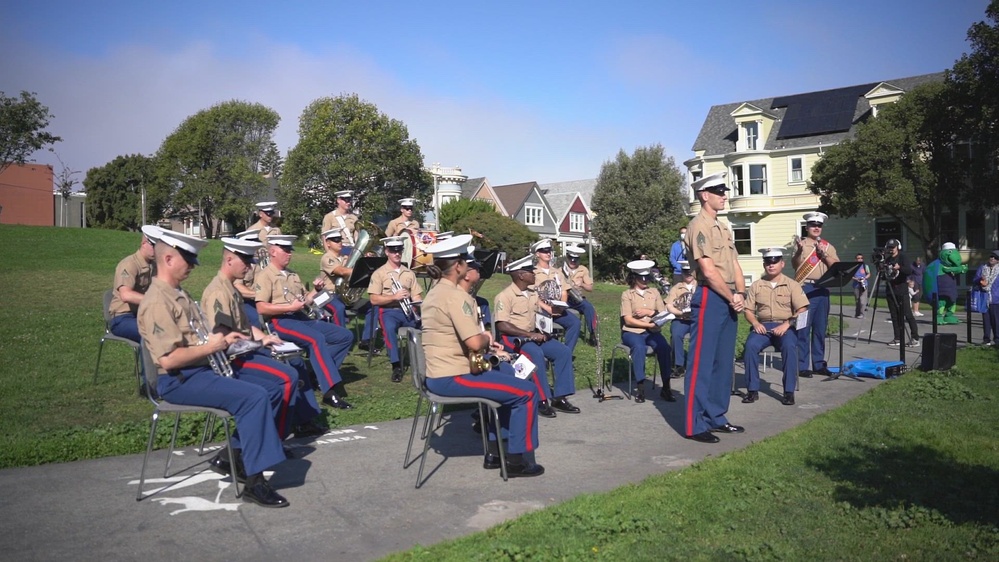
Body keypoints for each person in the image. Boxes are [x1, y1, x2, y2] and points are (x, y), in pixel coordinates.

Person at [137, 230, 289, 508]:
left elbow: (197, 337)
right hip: (179, 379)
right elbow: (168, 360)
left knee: (271, 389)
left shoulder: (178, 294)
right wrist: (212, 347)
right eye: (188, 260)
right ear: (168, 259)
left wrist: (223, 340)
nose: (193, 266)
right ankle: (255, 481)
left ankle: (235, 456)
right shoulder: (158, 300)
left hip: (198, 372)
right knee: (254, 397)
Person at [420, 234, 544, 477]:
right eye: (466, 262)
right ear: (459, 266)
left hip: (440, 373)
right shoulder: (455, 296)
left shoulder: (435, 292)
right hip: (452, 376)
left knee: (508, 378)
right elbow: (475, 343)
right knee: (527, 393)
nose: (469, 266)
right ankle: (516, 461)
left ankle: (496, 452)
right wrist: (486, 337)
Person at [201, 237, 325, 440]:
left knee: (294, 362)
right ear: (229, 260)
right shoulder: (219, 292)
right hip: (233, 358)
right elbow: (224, 339)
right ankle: (276, 437)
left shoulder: (229, 288)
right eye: (245, 261)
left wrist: (267, 338)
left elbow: (244, 326)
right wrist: (259, 343)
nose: (250, 266)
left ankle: (302, 421)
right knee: (287, 376)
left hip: (244, 350)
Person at [254, 234, 355, 408]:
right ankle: (329, 391)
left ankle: (317, 373)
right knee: (316, 339)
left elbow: (305, 300)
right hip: (281, 321)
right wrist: (289, 307)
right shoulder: (265, 275)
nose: (289, 254)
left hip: (300, 317)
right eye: (285, 250)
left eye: (290, 250)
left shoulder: (292, 274)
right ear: (273, 252)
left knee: (344, 336)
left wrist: (315, 290)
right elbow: (261, 308)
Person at [683, 172, 746, 444]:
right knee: (702, 362)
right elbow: (708, 271)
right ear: (704, 195)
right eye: (719, 191)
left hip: (729, 296)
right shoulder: (699, 226)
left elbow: (735, 265)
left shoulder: (723, 227)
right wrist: (732, 296)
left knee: (723, 363)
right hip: (711, 296)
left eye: (725, 191)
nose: (724, 196)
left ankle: (716, 416)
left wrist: (741, 293)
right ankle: (694, 424)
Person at [495, 255, 578, 418]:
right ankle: (541, 400)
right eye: (530, 272)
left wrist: (543, 330)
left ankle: (559, 397)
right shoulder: (505, 296)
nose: (534, 274)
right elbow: (502, 325)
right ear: (521, 275)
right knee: (535, 354)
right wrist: (529, 335)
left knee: (563, 352)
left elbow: (538, 315)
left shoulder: (532, 293)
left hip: (533, 335)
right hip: (512, 338)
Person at [742, 249, 809, 406]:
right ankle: (752, 390)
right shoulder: (756, 285)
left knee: (789, 347)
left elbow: (803, 308)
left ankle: (788, 392)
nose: (771, 265)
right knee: (750, 346)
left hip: (785, 326)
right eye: (768, 263)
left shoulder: (792, 285)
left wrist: (787, 324)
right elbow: (748, 310)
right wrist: (755, 323)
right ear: (764, 265)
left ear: (782, 264)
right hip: (763, 326)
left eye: (774, 262)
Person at [367, 236, 423, 383]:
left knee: (428, 325)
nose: (397, 254)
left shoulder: (409, 273)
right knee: (389, 329)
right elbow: (373, 299)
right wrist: (394, 297)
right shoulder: (379, 273)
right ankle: (396, 365)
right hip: (388, 311)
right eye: (393, 251)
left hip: (408, 311)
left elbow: (417, 296)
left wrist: (414, 299)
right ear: (387, 252)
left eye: (399, 250)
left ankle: (429, 358)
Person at [791, 211, 839, 378]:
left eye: (819, 225)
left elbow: (836, 266)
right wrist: (799, 252)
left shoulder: (828, 246)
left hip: (823, 288)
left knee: (820, 328)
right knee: (803, 328)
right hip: (805, 288)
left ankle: (818, 364)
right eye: (813, 225)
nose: (816, 228)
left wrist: (823, 254)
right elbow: (795, 264)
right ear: (807, 227)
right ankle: (802, 365)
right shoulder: (800, 244)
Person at [620, 259, 674, 403]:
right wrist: (648, 325)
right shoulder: (627, 294)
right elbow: (628, 320)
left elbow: (662, 313)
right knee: (639, 348)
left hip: (652, 331)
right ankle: (641, 388)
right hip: (632, 331)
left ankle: (666, 387)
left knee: (664, 348)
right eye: (641, 278)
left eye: (647, 278)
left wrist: (649, 312)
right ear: (634, 278)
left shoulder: (654, 292)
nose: (645, 281)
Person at [108, 225, 163, 343]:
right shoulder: (129, 264)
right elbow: (126, 295)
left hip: (142, 314)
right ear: (144, 243)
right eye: (155, 246)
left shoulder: (154, 265)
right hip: (122, 317)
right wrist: (155, 300)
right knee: (152, 334)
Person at [531, 239, 581, 353]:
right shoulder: (533, 272)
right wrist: (548, 308)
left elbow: (564, 291)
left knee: (575, 323)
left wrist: (561, 307)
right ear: (537, 254)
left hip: (557, 308)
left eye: (549, 251)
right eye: (544, 251)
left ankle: (567, 353)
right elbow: (532, 295)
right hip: (540, 309)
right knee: (542, 328)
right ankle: (546, 353)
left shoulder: (557, 272)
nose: (548, 253)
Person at [883, 239, 920, 347]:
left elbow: (909, 271)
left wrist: (899, 267)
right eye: (889, 247)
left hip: (901, 289)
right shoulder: (887, 259)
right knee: (894, 316)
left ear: (897, 247)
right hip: (891, 289)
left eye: (893, 247)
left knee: (907, 314)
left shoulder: (902, 257)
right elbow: (884, 276)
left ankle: (915, 338)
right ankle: (897, 338)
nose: (891, 249)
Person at [563, 244, 599, 345]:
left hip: (577, 298)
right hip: (564, 297)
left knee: (589, 307)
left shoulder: (583, 270)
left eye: (575, 259)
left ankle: (592, 333)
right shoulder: (560, 269)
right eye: (571, 259)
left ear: (578, 259)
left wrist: (582, 284)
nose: (573, 261)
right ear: (567, 257)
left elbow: (590, 288)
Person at [665, 261, 696, 379]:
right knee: (676, 334)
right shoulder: (676, 288)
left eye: (690, 272)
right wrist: (680, 313)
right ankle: (679, 365)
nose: (688, 275)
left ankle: (697, 363)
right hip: (681, 318)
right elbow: (669, 305)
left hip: (696, 319)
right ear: (682, 273)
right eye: (686, 272)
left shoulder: (700, 286)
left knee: (702, 335)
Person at [318, 227, 351, 327]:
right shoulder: (326, 258)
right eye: (335, 240)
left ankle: (368, 337)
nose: (339, 242)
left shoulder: (345, 257)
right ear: (328, 243)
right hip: (326, 294)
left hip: (342, 294)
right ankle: (341, 334)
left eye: (340, 239)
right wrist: (360, 271)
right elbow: (341, 271)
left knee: (371, 306)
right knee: (339, 308)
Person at [232, 228, 264, 330]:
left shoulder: (261, 261)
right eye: (254, 246)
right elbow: (237, 287)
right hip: (243, 301)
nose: (257, 249)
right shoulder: (240, 264)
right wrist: (259, 295)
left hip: (259, 299)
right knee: (257, 320)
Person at [972, 250, 999, 346]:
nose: (992, 258)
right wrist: (980, 279)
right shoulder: (983, 267)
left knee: (996, 320)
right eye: (991, 256)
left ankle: (997, 339)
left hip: (996, 299)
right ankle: (986, 339)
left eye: (995, 257)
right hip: (984, 297)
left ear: (998, 260)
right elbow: (975, 280)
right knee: (986, 320)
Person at [322, 190, 359, 254]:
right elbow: (324, 236)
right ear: (338, 200)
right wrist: (329, 254)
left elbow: (356, 236)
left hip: (351, 249)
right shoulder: (329, 217)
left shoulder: (354, 218)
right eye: (346, 200)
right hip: (336, 250)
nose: (348, 203)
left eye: (349, 200)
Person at [852, 253, 870, 319]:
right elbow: (851, 276)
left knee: (863, 301)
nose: (860, 259)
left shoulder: (865, 266)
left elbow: (868, 274)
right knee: (857, 300)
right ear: (856, 259)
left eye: (861, 258)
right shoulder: (853, 267)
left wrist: (864, 278)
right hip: (856, 285)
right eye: (858, 258)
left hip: (864, 285)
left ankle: (862, 314)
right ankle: (857, 313)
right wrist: (856, 279)